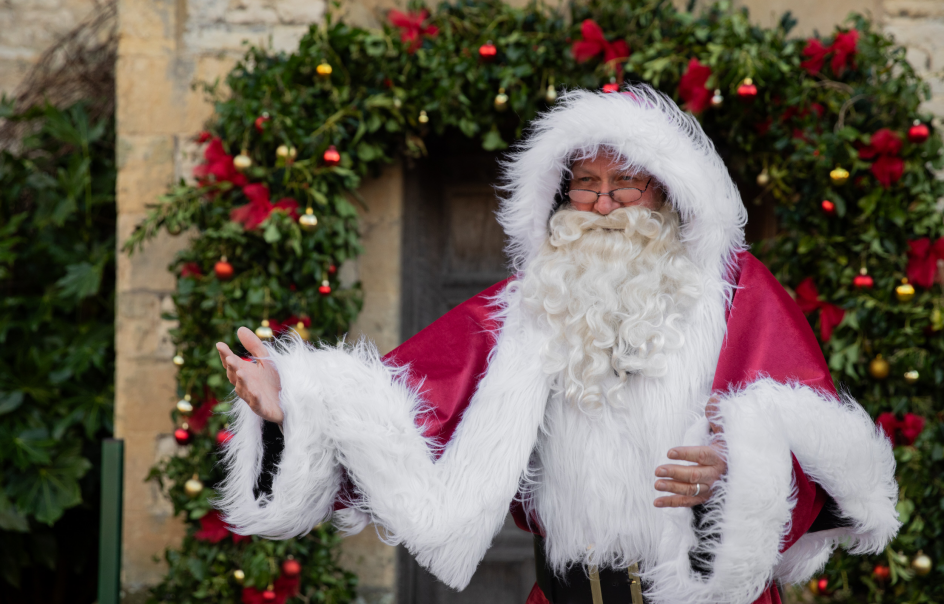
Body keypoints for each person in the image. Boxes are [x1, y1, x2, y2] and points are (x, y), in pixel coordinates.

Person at [214, 85, 899, 604]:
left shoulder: (736, 295)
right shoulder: (526, 309)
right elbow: (399, 411)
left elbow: (826, 454)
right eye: (585, 185)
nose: (602, 204)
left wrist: (738, 478)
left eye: (625, 185)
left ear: (667, 195)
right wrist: (288, 408)